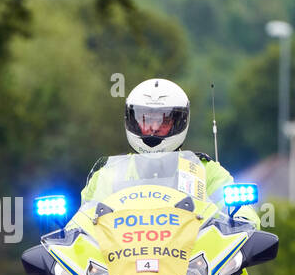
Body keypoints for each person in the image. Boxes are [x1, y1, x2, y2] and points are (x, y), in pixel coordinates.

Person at [81, 78, 261, 230]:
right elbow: (83, 221)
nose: (152, 128)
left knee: (234, 271)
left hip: (195, 262)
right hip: (121, 264)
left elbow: (240, 210)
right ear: (131, 120)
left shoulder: (206, 171)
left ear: (179, 122)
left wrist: (243, 220)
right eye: (145, 120)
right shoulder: (108, 174)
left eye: (163, 121)